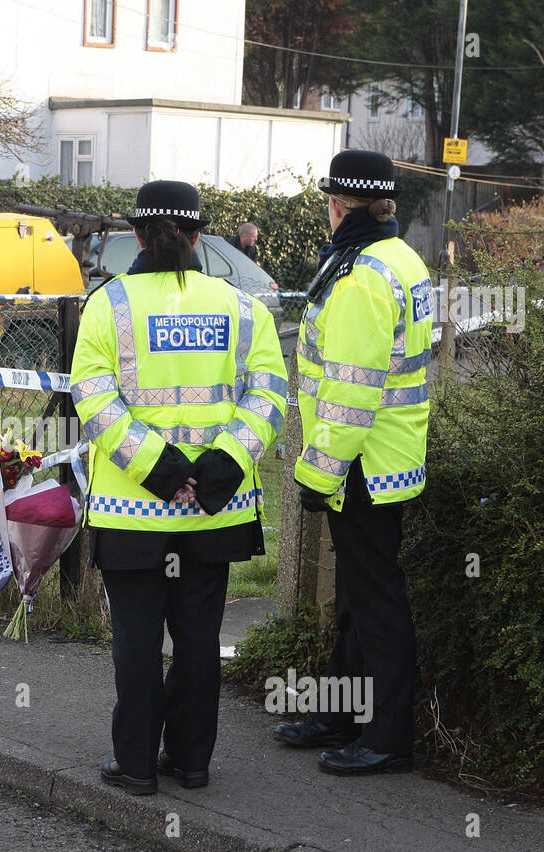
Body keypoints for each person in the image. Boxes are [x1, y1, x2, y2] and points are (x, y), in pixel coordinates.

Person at [71, 180, 287, 795]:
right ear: (198, 235)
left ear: (137, 235)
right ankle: (192, 762)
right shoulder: (241, 306)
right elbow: (269, 394)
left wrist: (160, 470)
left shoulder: (108, 305)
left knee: (137, 644)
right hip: (214, 513)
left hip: (133, 512)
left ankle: (136, 766)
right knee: (197, 642)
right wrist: (221, 466)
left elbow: (93, 399)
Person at [273, 149, 433, 775]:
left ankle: (389, 736)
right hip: (387, 455)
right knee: (355, 598)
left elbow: (351, 389)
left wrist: (318, 473)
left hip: (361, 461)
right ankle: (341, 713)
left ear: (337, 205)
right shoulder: (400, 256)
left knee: (376, 600)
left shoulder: (362, 272)